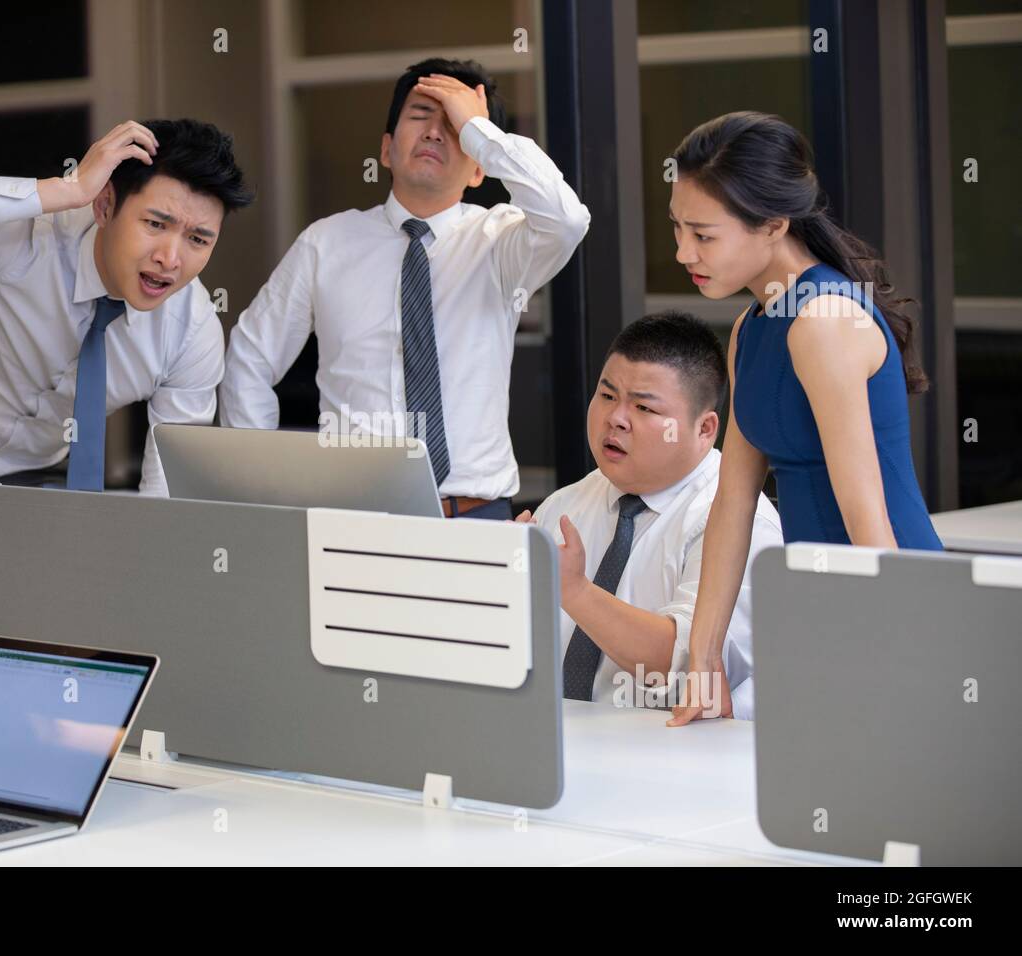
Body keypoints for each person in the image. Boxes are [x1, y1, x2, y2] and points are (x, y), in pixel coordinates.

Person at [664, 112, 944, 725]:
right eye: (678, 228)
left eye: (704, 235)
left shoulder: (823, 323)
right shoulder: (752, 328)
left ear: (773, 224)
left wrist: (907, 654)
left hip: (890, 599)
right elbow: (732, 504)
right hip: (822, 608)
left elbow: (865, 512)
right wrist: (703, 655)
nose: (684, 251)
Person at [219, 58, 590, 519]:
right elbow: (250, 358)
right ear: (387, 149)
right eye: (420, 115)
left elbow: (568, 219)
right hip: (351, 516)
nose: (436, 132)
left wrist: (478, 125)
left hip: (473, 516)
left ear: (479, 169)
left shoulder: (500, 240)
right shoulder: (326, 242)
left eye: (453, 125)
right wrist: (263, 486)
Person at [0, 118, 253, 493]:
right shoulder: (28, 234)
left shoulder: (192, 330)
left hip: (38, 477)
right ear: (105, 204)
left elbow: (170, 487)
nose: (171, 258)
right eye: (155, 224)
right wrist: (67, 189)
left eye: (198, 239)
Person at [516, 312, 781, 717]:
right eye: (606, 396)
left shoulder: (737, 523)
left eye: (643, 407)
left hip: (676, 753)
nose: (615, 419)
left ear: (705, 428)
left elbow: (689, 667)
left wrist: (574, 590)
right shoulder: (568, 503)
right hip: (555, 743)